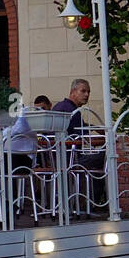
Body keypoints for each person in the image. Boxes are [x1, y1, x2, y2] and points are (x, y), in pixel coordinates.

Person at [52, 78, 107, 209]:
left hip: (54, 159)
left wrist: (91, 127)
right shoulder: (73, 112)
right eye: (83, 91)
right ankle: (95, 201)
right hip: (71, 160)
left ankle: (87, 200)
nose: (87, 95)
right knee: (105, 157)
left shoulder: (59, 107)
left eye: (88, 92)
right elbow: (82, 137)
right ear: (73, 92)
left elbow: (78, 130)